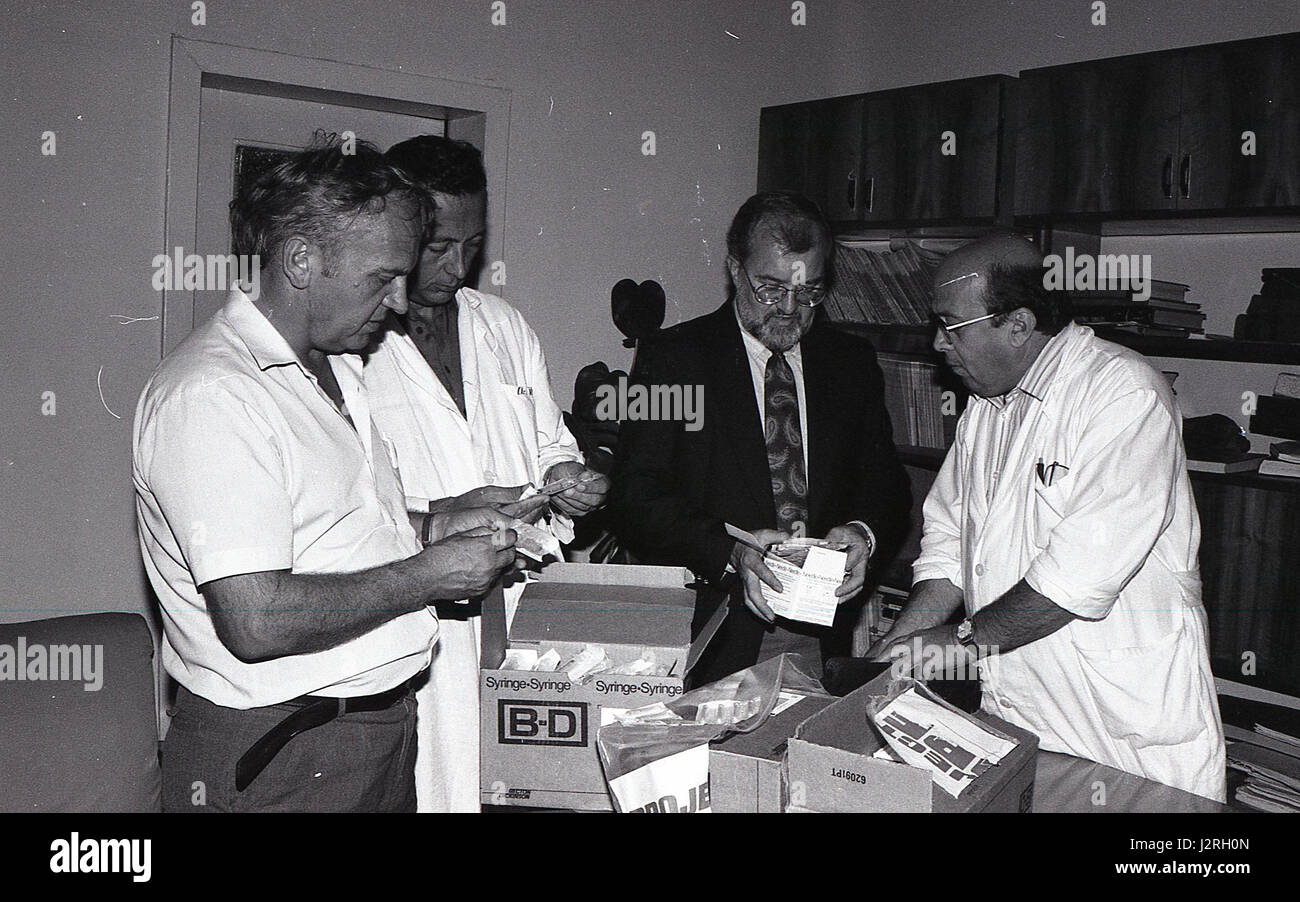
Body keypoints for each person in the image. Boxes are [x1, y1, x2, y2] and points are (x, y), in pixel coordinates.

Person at [132, 137, 520, 812]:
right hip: (282, 750)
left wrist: (433, 525)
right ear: (302, 261)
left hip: (374, 735)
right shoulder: (213, 395)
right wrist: (430, 576)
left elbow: (334, 531)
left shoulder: (337, 368)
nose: (400, 302)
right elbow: (254, 618)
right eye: (381, 278)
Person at [867, 233, 1226, 801]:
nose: (938, 343)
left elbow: (1074, 580)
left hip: (1118, 726)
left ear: (1016, 324)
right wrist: (898, 644)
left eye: (951, 325)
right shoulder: (986, 406)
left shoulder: (1122, 395)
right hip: (1022, 712)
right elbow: (951, 541)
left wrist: (948, 644)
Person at [365, 135, 609, 812]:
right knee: (433, 786)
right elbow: (352, 506)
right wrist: (446, 514)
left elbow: (549, 445)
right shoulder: (356, 344)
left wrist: (570, 478)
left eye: (471, 246)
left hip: (522, 609)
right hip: (420, 618)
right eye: (437, 246)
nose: (455, 267)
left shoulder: (503, 327)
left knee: (524, 786)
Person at [608, 191, 909, 686]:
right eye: (770, 289)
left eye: (810, 291)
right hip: (710, 628)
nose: (790, 309)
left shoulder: (850, 363)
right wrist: (729, 550)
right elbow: (635, 495)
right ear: (734, 269)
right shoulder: (674, 361)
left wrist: (863, 532)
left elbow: (887, 484)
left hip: (820, 630)